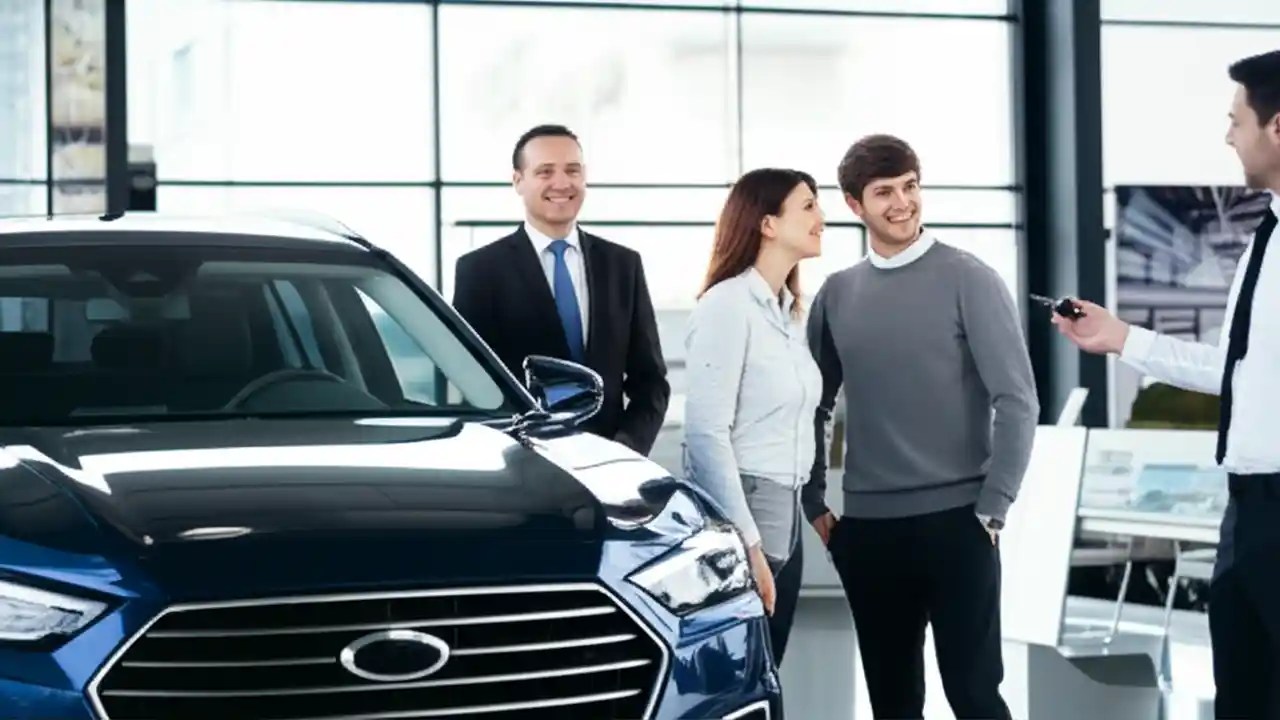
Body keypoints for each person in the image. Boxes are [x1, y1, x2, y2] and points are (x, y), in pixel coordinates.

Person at [1053, 49, 1280, 719]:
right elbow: (1233, 370)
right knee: (1244, 694)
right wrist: (1120, 338)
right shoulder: (1263, 241)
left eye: (1235, 120)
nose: (1227, 135)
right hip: (1247, 511)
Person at [802, 134, 1038, 720]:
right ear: (855, 205)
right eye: (885, 192)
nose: (902, 203)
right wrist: (813, 500)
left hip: (960, 525)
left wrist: (993, 506)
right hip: (870, 533)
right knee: (893, 704)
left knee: (976, 696)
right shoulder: (836, 295)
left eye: (910, 186)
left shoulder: (970, 278)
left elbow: (1017, 399)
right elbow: (811, 403)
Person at [452, 124, 670, 456]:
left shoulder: (623, 265)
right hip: (521, 461)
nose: (562, 183)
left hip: (610, 463)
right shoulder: (480, 270)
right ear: (518, 181)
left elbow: (651, 381)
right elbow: (472, 382)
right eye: (545, 172)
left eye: (573, 170)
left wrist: (626, 448)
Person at [683, 168, 825, 667]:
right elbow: (704, 433)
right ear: (767, 223)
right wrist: (748, 542)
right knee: (739, 672)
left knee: (768, 668)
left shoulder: (789, 314)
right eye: (808, 206)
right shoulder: (728, 305)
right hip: (748, 512)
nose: (821, 219)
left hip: (784, 513)